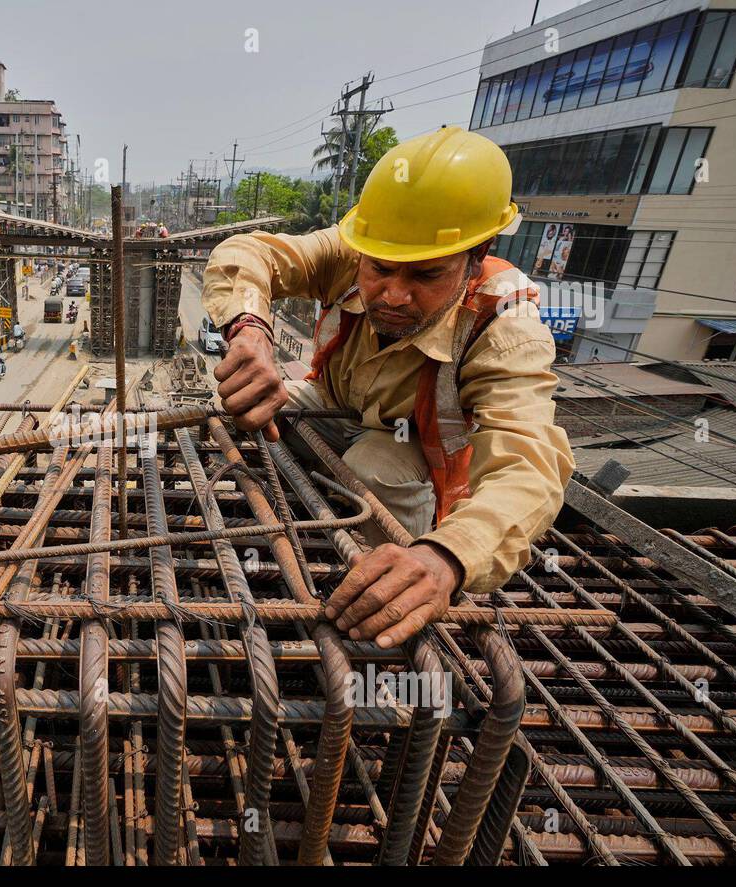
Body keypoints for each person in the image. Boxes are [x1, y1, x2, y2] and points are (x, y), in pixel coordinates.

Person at [203, 126, 573, 650]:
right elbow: (244, 254)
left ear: (477, 254)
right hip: (333, 405)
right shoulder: (354, 250)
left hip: (412, 448)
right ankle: (286, 516)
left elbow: (529, 464)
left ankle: (363, 602)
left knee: (372, 471)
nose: (393, 294)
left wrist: (448, 557)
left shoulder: (505, 327)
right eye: (380, 270)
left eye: (425, 276)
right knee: (244, 406)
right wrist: (250, 330)